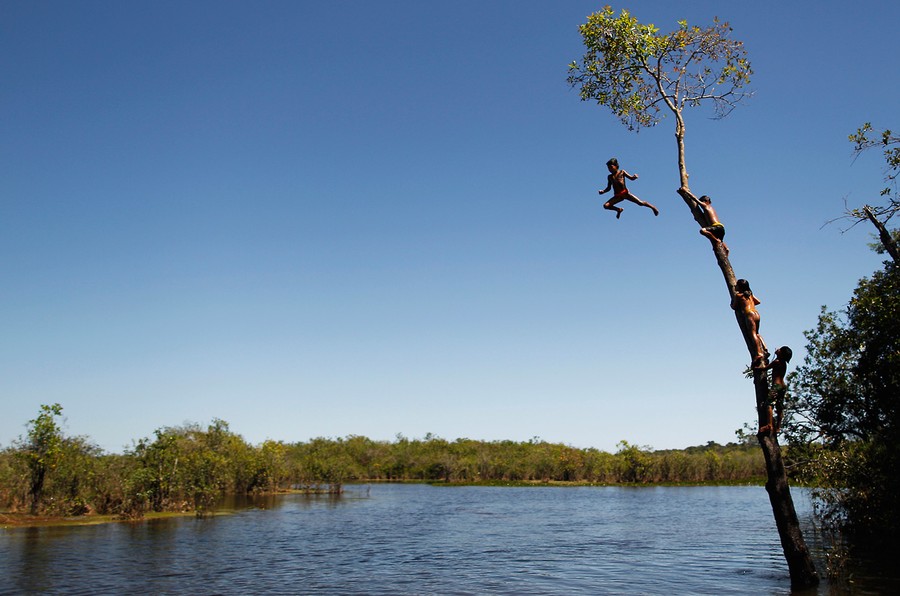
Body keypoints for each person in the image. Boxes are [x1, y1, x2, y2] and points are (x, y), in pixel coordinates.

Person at [731, 278, 768, 366]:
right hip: (756, 313)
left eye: (737, 285)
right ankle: (765, 348)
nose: (735, 286)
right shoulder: (749, 294)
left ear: (740, 287)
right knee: (757, 333)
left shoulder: (739, 296)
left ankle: (759, 353)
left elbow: (734, 306)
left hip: (749, 314)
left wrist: (732, 304)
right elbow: (758, 302)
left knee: (752, 334)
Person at [758, 346, 793, 434]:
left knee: (769, 404)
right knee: (779, 407)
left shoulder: (777, 362)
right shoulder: (783, 363)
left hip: (776, 386)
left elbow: (765, 368)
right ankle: (778, 427)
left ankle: (769, 425)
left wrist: (755, 368)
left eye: (780, 349)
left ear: (781, 354)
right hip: (783, 386)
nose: (777, 349)